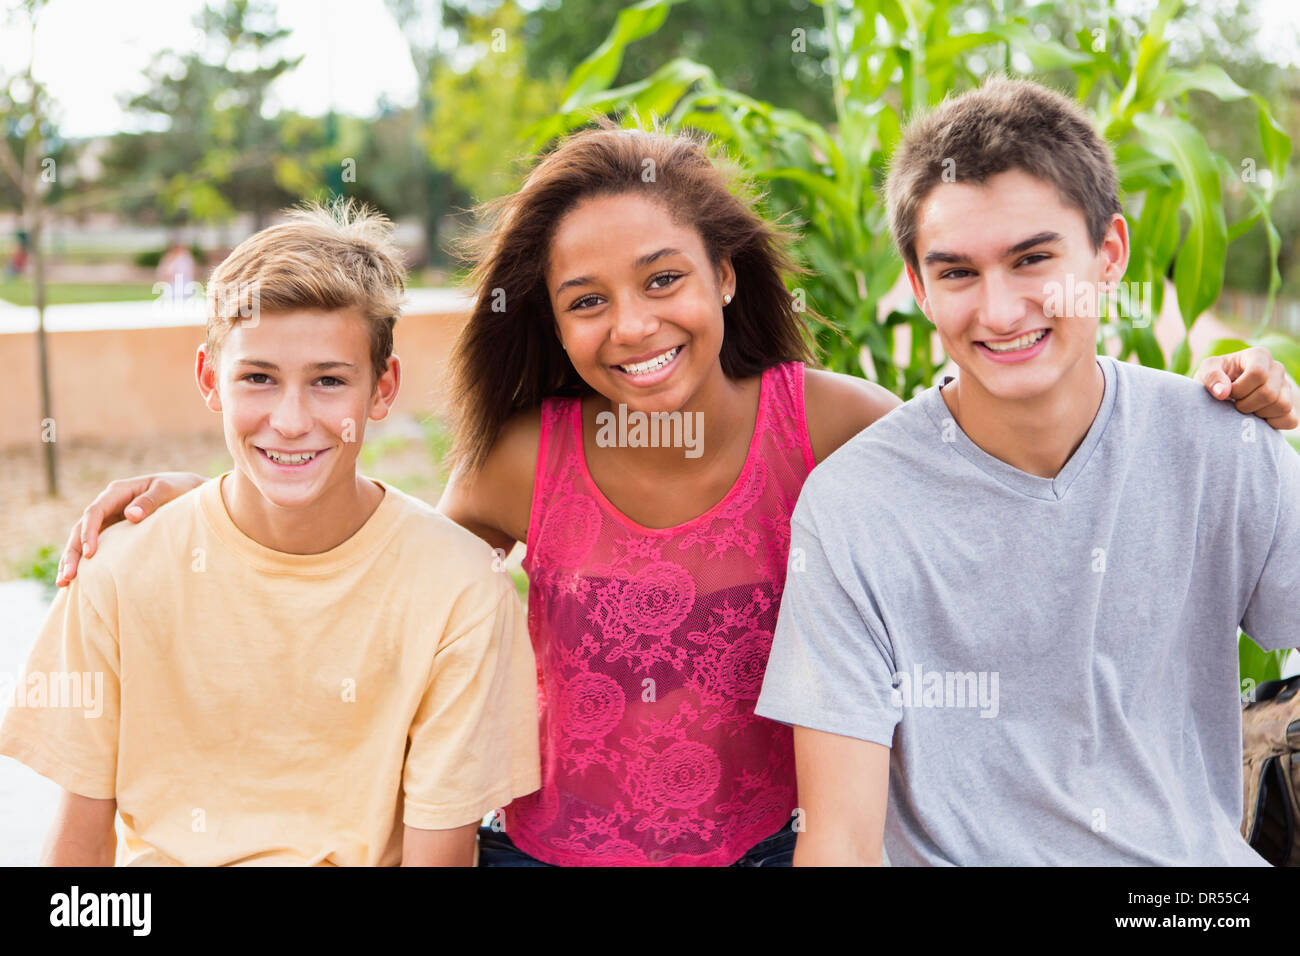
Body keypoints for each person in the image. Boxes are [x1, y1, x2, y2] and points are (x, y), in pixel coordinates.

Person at [55, 124, 1294, 866]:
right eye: (586, 300)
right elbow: (382, 556)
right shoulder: (521, 458)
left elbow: (995, 434)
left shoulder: (831, 423)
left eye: (663, 279)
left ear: (725, 275)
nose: (631, 324)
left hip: (770, 850)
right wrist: (221, 492)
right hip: (537, 855)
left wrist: (1210, 402)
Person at [754, 77, 1300, 866]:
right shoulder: (852, 509)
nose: (1001, 311)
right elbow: (838, 840)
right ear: (918, 286)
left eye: (1032, 259)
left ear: (1108, 254)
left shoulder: (1222, 446)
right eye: (958, 273)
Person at [0, 200, 540, 866]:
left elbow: (440, 857)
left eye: (328, 381)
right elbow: (77, 856)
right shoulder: (120, 570)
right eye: (258, 378)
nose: (290, 420)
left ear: (382, 388)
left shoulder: (460, 591)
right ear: (209, 379)